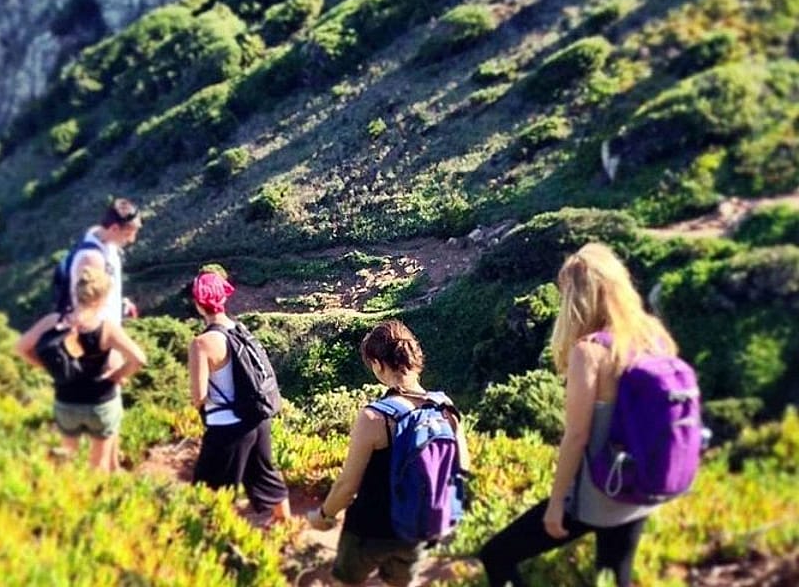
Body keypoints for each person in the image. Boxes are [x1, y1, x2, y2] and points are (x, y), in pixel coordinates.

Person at [478, 242, 678, 587]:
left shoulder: (590, 353)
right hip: (640, 482)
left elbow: (576, 435)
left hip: (599, 490)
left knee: (497, 555)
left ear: (578, 298)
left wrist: (557, 504)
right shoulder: (652, 334)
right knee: (613, 577)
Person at [305, 320, 465, 586]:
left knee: (344, 582)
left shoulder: (374, 417)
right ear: (415, 359)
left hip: (369, 530)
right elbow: (461, 469)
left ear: (378, 365)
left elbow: (347, 487)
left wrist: (323, 516)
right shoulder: (446, 410)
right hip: (417, 531)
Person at [15, 264, 147, 473]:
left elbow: (21, 348)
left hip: (66, 402)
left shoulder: (53, 321)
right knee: (99, 466)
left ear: (76, 292)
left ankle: (70, 496)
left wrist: (46, 367)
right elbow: (139, 359)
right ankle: (94, 499)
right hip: (100, 403)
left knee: (68, 459)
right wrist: (116, 375)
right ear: (103, 298)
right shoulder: (106, 329)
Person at [188, 271, 292, 525]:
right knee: (266, 477)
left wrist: (199, 404)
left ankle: (214, 544)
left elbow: (199, 396)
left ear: (198, 303)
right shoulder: (241, 330)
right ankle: (287, 527)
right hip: (258, 418)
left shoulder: (202, 343)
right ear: (224, 298)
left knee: (210, 492)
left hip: (227, 428)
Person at [65, 197, 144, 470]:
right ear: (113, 228)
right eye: (129, 234)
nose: (131, 240)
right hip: (97, 343)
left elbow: (101, 293)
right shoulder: (91, 256)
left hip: (108, 333)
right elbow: (85, 305)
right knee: (106, 409)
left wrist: (120, 304)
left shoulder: (106, 246)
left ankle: (112, 465)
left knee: (113, 408)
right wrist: (107, 350)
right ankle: (105, 473)